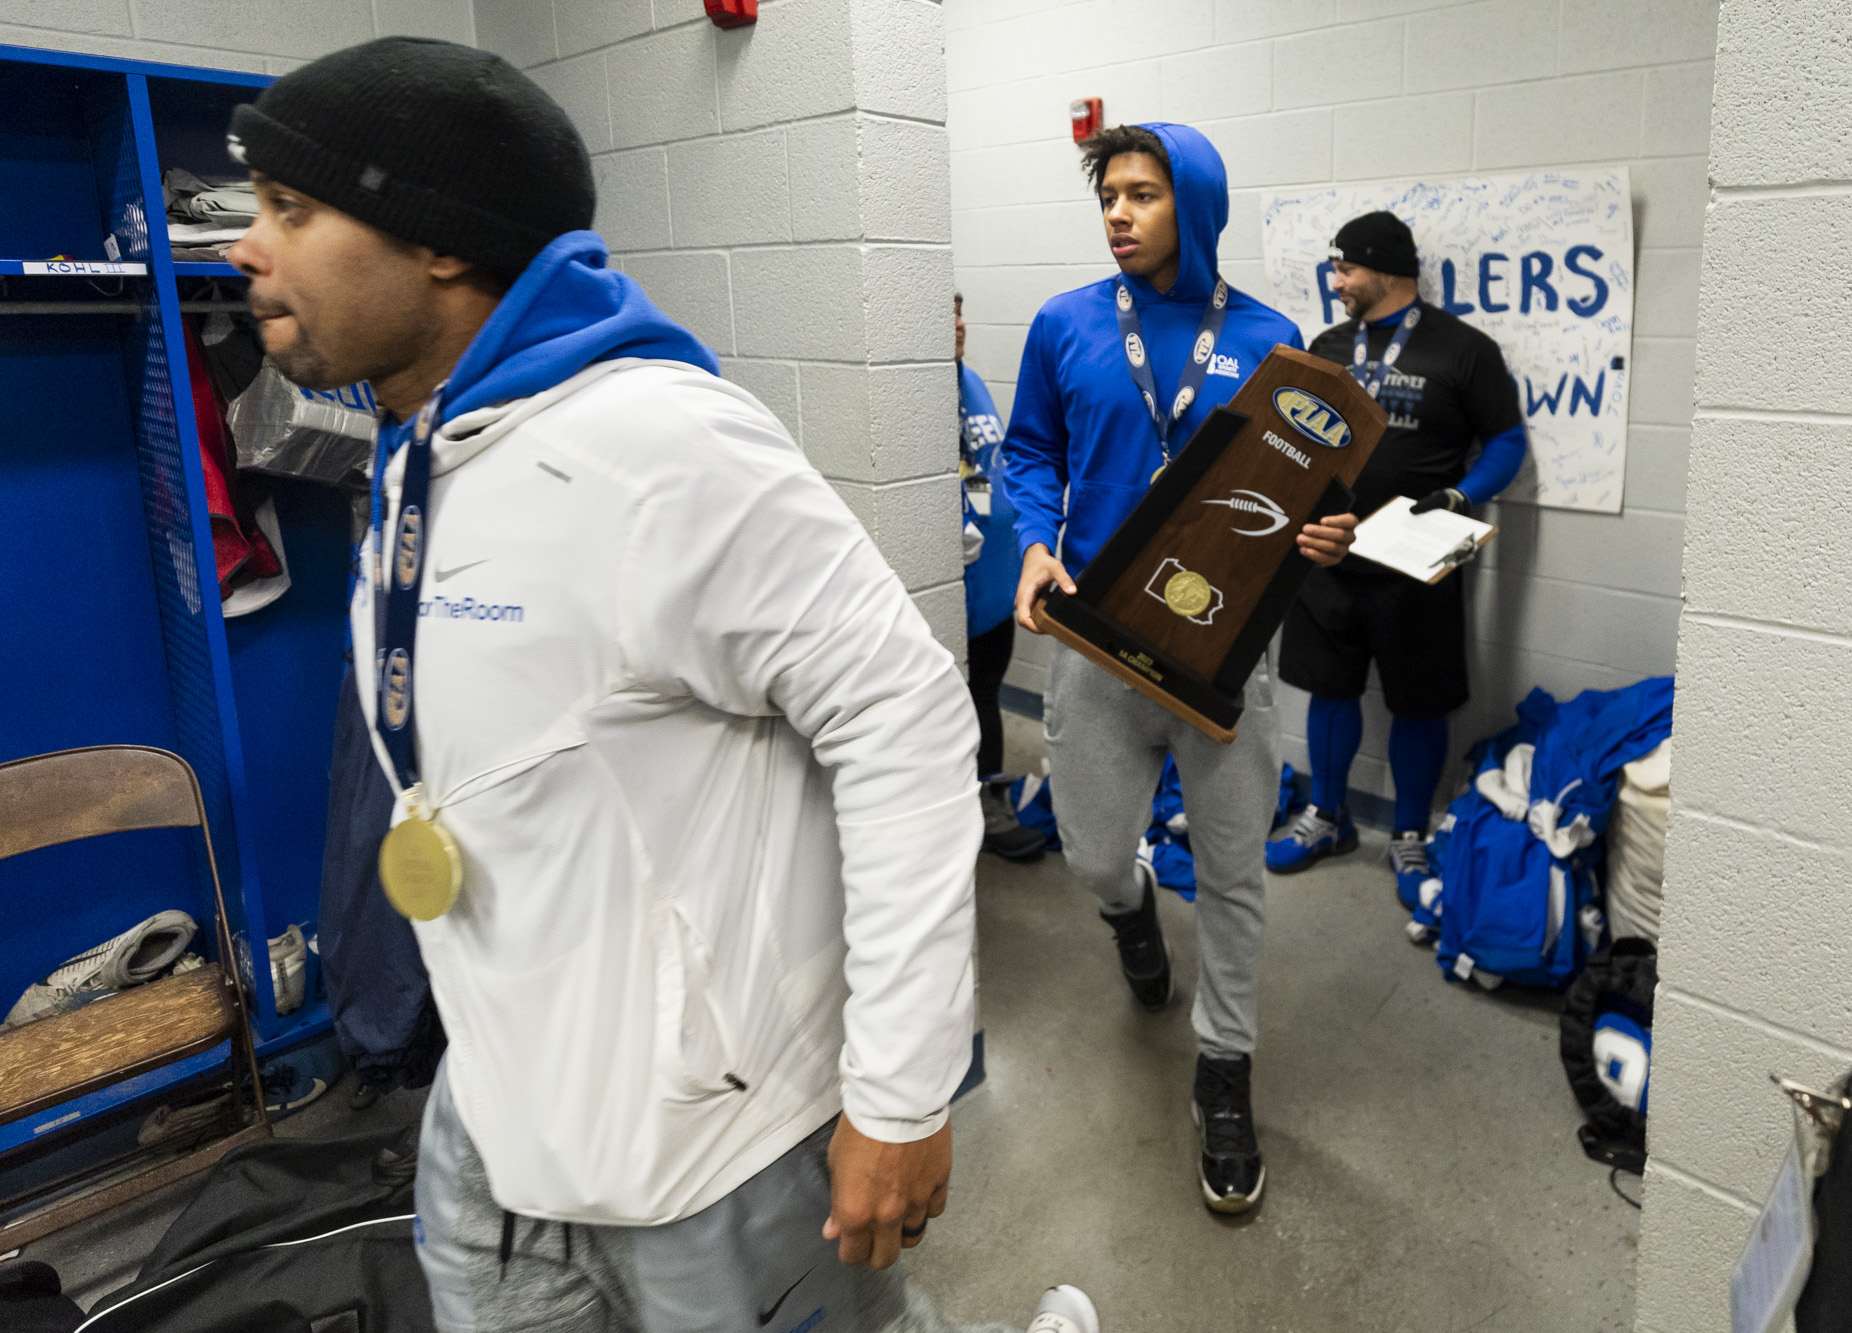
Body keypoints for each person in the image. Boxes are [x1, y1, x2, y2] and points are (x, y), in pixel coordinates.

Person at [225, 37, 1095, 1333]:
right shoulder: (426, 453)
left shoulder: (658, 447)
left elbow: (905, 723)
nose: (246, 246)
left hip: (712, 1152)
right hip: (496, 1112)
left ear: (441, 242)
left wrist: (901, 1095)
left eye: (292, 210)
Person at [1007, 122, 1357, 1215]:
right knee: (1093, 853)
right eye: (1107, 194)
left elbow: (1311, 483)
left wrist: (1326, 530)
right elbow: (1030, 451)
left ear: (1191, 207)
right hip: (1094, 642)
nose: (1116, 213)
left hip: (1224, 654)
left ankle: (1222, 1070)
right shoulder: (1063, 323)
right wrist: (1030, 538)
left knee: (1236, 875)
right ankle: (1129, 910)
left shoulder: (1271, 337)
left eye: (1142, 194)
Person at [1264, 211, 1527, 910]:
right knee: (1329, 689)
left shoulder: (1462, 349)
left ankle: (1409, 832)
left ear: (1386, 269)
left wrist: (1461, 495)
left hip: (1417, 559)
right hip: (1326, 553)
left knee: (1419, 701)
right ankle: (1327, 817)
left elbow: (1505, 443)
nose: (1337, 281)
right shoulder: (1326, 344)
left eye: (1347, 269)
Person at [957, 294, 1043, 862]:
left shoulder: (968, 381)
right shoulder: (903, 390)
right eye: (943, 313)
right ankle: (952, 810)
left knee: (985, 692)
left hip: (991, 579)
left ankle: (990, 797)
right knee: (948, 704)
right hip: (948, 587)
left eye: (960, 310)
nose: (959, 324)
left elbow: (988, 470)